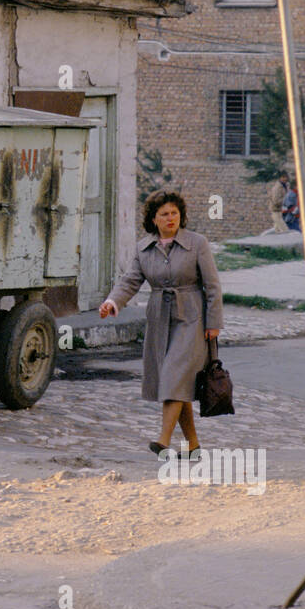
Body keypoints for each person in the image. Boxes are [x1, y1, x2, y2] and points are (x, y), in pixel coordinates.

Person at [98, 190, 224, 461]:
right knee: (178, 382)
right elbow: (130, 280)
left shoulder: (197, 243)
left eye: (175, 213)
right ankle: (193, 446)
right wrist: (112, 302)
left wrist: (214, 323)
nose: (171, 219)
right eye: (164, 214)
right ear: (154, 219)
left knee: (172, 375)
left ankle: (163, 442)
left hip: (192, 318)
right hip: (159, 319)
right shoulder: (144, 249)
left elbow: (213, 286)